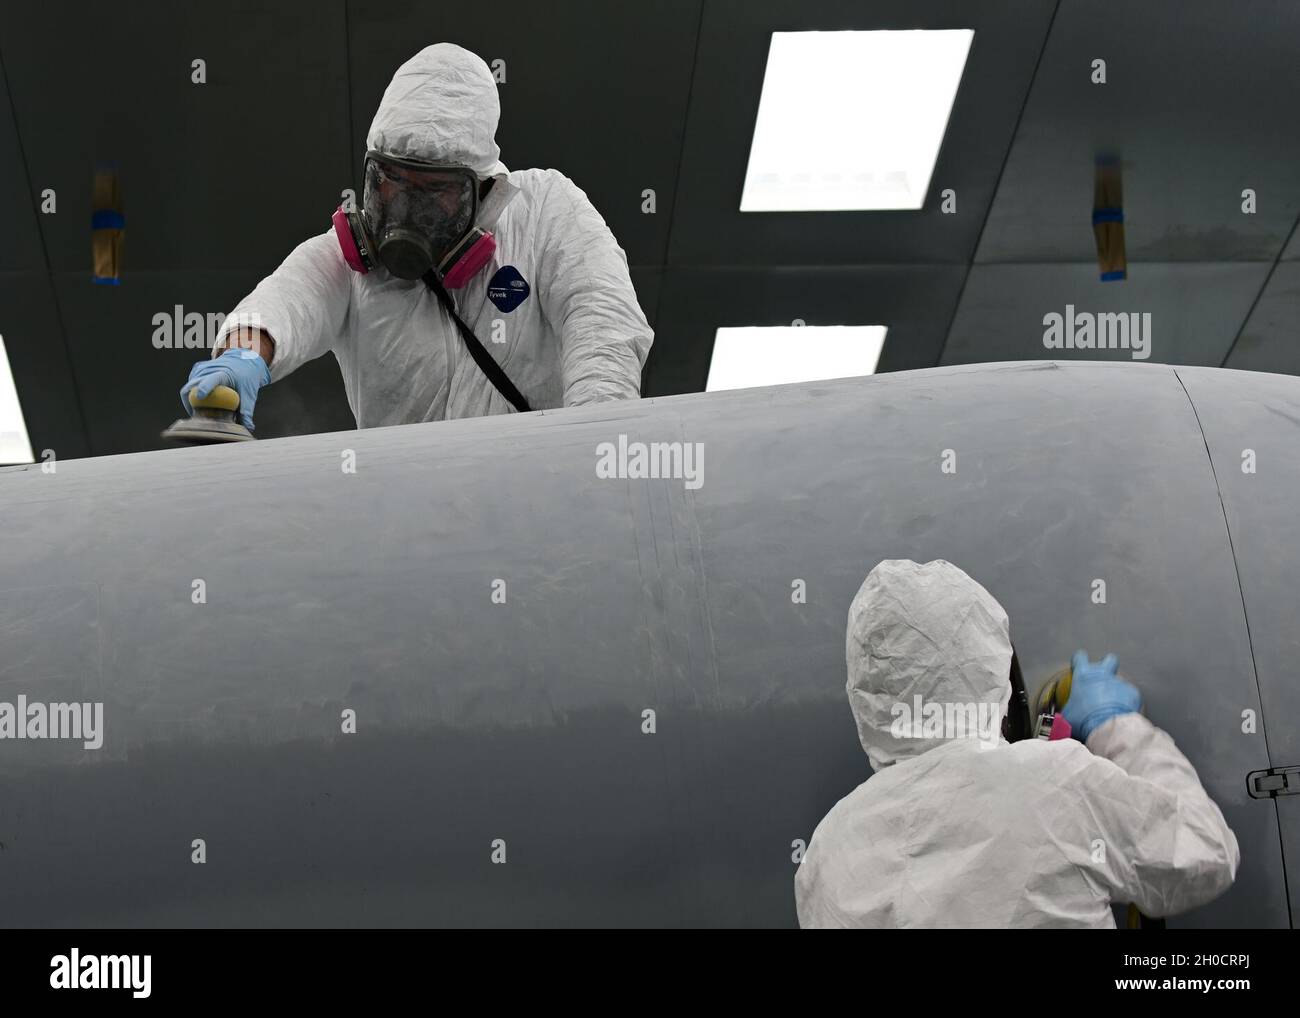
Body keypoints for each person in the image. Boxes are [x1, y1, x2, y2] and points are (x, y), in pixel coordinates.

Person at [179, 43, 653, 433]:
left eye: (436, 190)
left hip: (535, 503)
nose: (405, 207)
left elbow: (604, 325)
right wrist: (241, 357)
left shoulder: (546, 211)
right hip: (409, 519)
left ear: (485, 190)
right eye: (392, 181)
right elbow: (287, 301)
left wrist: (597, 436)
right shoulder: (350, 267)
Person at [795, 558, 1240, 928]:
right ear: (988, 661)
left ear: (865, 688)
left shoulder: (827, 854)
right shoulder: (1055, 784)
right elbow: (1206, 851)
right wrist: (1115, 725)